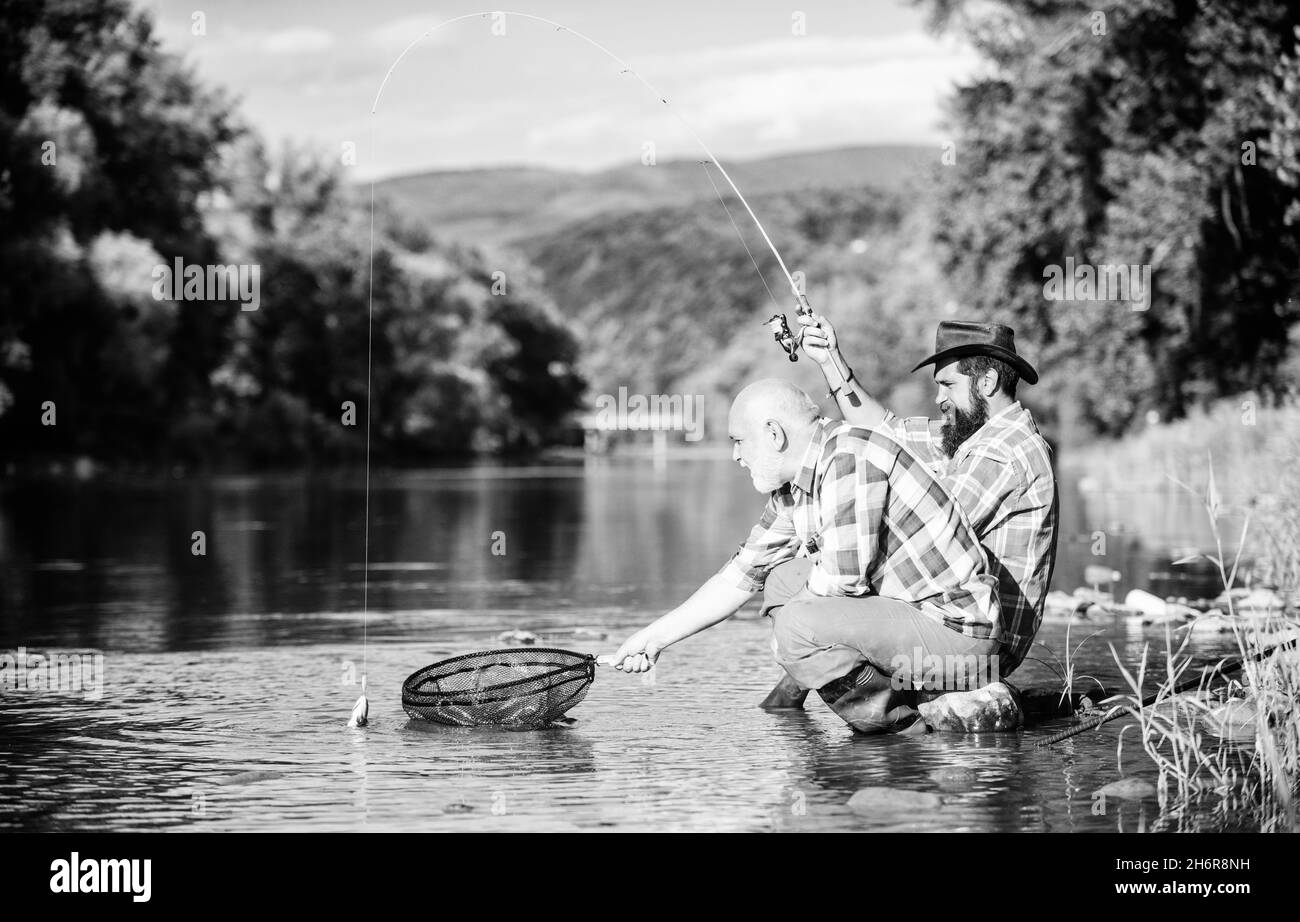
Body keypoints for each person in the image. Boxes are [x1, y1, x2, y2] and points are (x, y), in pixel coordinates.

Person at [607, 379, 1003, 734]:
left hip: (961, 641)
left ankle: (903, 729)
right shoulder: (795, 487)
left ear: (774, 434)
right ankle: (883, 700)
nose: (735, 456)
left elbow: (843, 578)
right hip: (917, 623)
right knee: (781, 581)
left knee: (796, 624)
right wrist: (652, 638)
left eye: (738, 441)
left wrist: (788, 641)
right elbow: (738, 577)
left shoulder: (849, 457)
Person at [760, 316, 1058, 711]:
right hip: (940, 608)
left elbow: (923, 537)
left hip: (978, 640)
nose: (939, 398)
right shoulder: (975, 434)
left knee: (814, 598)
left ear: (986, 382)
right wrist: (830, 359)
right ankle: (800, 692)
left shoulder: (1004, 451)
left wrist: (827, 559)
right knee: (786, 582)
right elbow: (888, 432)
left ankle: (893, 721)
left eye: (948, 384)